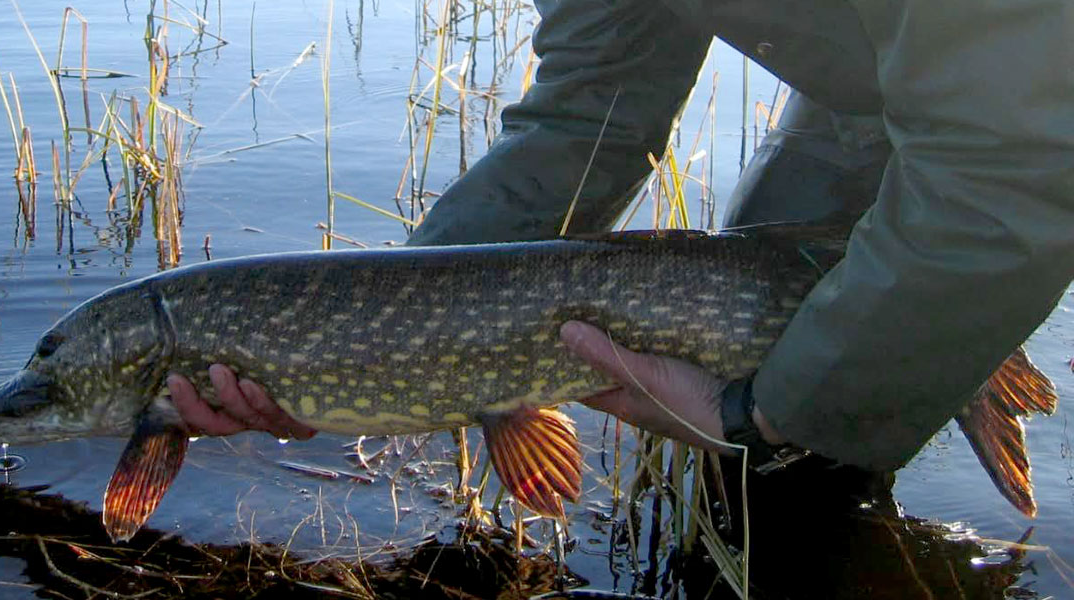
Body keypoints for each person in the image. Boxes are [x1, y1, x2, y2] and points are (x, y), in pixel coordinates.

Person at [170, 0, 1074, 478]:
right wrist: (387, 323)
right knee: (783, 430)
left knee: (800, 411)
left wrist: (764, 414)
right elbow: (590, 106)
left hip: (1036, 78)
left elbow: (1013, 164)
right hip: (880, 74)